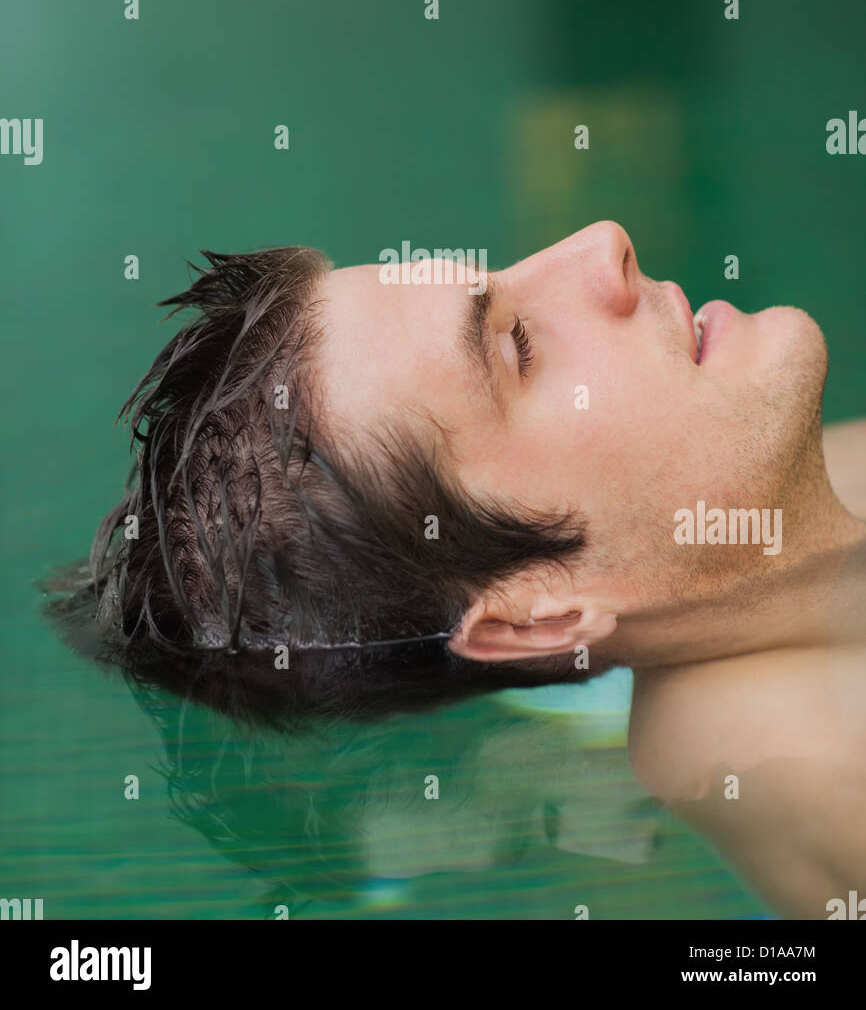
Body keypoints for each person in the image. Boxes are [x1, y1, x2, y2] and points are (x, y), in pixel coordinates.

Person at [49, 222, 866, 916]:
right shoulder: (801, 760)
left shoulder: (780, 512)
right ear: (540, 615)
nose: (601, 244)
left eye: (498, 277)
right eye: (519, 348)